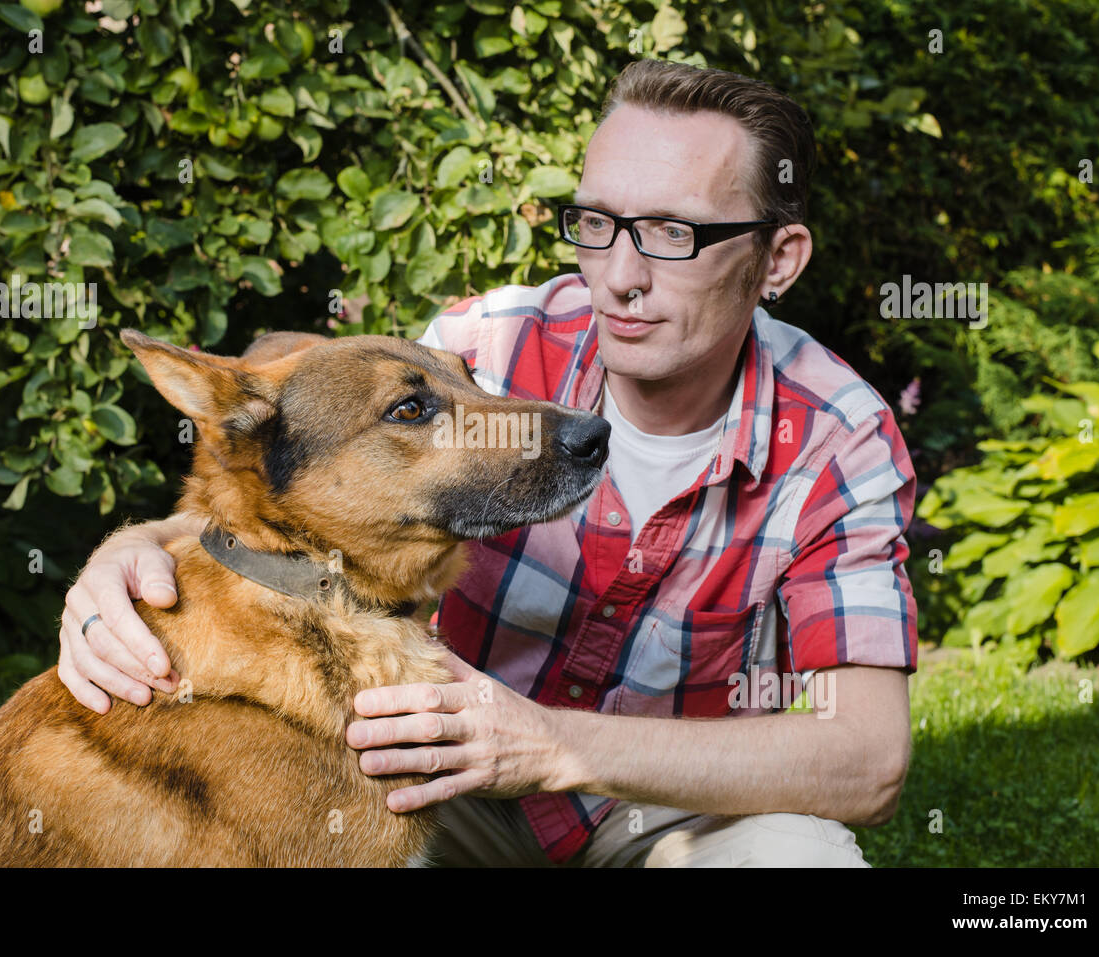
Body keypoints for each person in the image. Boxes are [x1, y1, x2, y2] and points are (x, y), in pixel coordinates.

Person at [57, 59, 917, 867]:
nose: (618, 276)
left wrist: (552, 744)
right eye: (598, 222)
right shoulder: (489, 347)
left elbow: (868, 760)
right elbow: (305, 490)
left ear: (779, 260)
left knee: (798, 857)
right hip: (431, 772)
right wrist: (127, 553)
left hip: (656, 803)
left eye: (671, 232)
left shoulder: (837, 437)